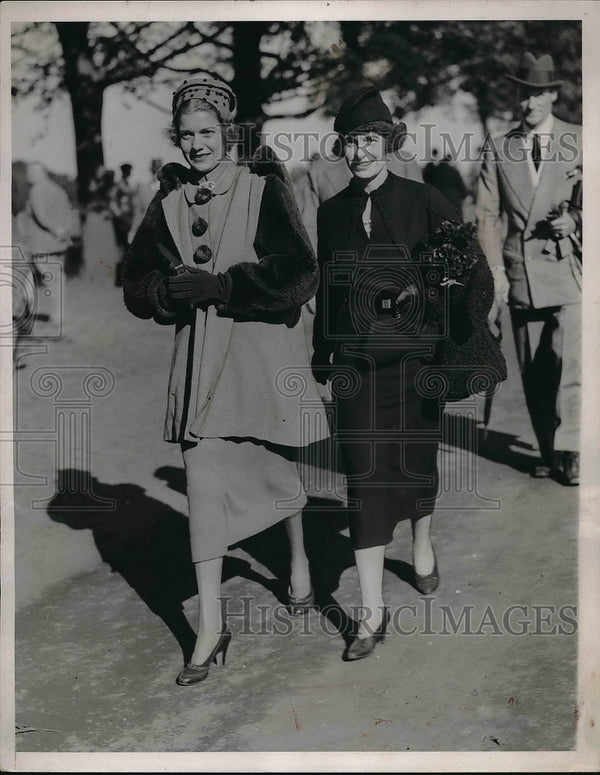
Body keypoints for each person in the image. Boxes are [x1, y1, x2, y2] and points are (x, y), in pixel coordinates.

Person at [122, 76, 329, 685]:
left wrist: (226, 285)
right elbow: (135, 283)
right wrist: (166, 292)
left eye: (207, 133)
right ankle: (210, 628)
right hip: (200, 363)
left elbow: (301, 272)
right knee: (204, 479)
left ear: (228, 134)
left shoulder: (262, 186)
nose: (197, 145)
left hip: (260, 356)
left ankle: (298, 560)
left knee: (275, 466)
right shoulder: (167, 199)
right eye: (186, 135)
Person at [312, 85, 504, 661]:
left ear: (388, 143)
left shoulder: (425, 200)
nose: (359, 153)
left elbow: (468, 273)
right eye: (350, 143)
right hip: (357, 367)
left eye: (369, 141)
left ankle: (422, 541)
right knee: (364, 478)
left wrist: (430, 300)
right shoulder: (330, 213)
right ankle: (370, 614)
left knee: (416, 465)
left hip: (417, 365)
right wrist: (323, 354)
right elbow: (327, 290)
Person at [476, 53, 582, 484]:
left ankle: (573, 449)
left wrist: (577, 220)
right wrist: (496, 271)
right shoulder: (499, 148)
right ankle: (548, 450)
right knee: (536, 373)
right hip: (521, 275)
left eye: (538, 93)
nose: (530, 102)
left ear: (553, 95)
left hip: (569, 269)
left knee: (571, 365)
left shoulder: (581, 138)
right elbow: (487, 215)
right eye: (524, 94)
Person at [24, 162, 76, 326]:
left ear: (38, 172)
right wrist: (64, 232)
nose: (27, 176)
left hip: (43, 244)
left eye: (29, 172)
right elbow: (69, 213)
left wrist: (56, 230)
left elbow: (41, 216)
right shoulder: (58, 189)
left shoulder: (37, 189)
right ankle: (57, 314)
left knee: (46, 279)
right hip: (59, 244)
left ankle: (53, 315)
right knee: (56, 279)